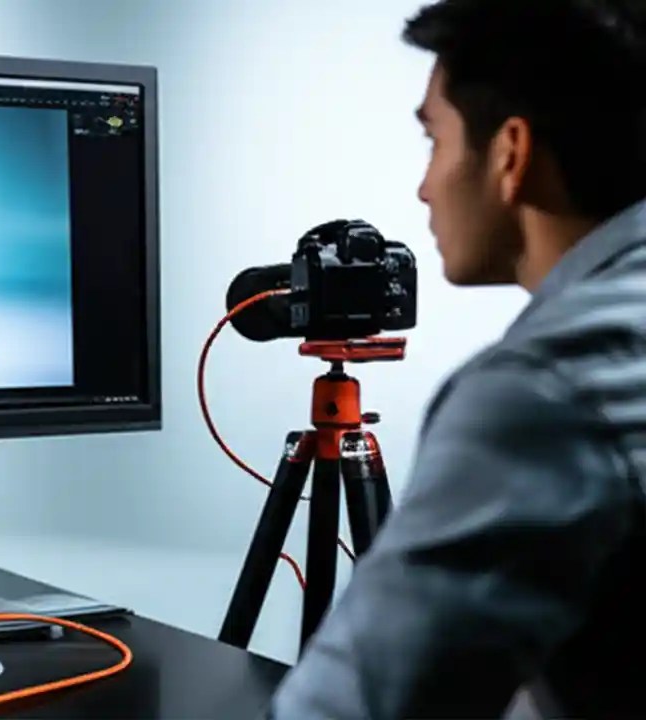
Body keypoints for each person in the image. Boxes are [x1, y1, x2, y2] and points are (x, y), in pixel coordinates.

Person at [269, 1, 646, 717]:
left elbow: (359, 705)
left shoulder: (544, 392)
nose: (424, 185)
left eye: (433, 140)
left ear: (510, 153)